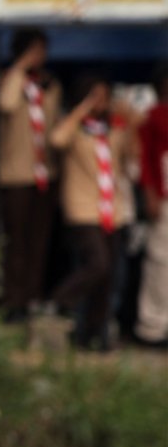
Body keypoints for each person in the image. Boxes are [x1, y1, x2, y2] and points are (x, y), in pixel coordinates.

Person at [49, 76, 135, 350]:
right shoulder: (75, 127)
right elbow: (57, 139)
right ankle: (60, 300)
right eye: (94, 96)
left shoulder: (112, 129)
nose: (101, 101)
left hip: (113, 209)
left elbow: (131, 158)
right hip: (83, 208)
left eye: (104, 96)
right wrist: (82, 109)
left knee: (108, 276)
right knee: (97, 263)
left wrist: (129, 122)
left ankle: (92, 333)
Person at [0, 27, 62, 322]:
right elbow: (6, 103)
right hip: (16, 174)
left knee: (40, 241)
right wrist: (20, 67)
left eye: (42, 50)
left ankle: (33, 299)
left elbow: (53, 127)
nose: (40, 56)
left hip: (44, 174)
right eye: (33, 50)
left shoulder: (50, 84)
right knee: (16, 242)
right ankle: (13, 301)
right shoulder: (8, 80)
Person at [135, 64, 168, 347]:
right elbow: (145, 160)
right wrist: (150, 194)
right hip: (164, 198)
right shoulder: (153, 117)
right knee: (160, 262)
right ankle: (152, 327)